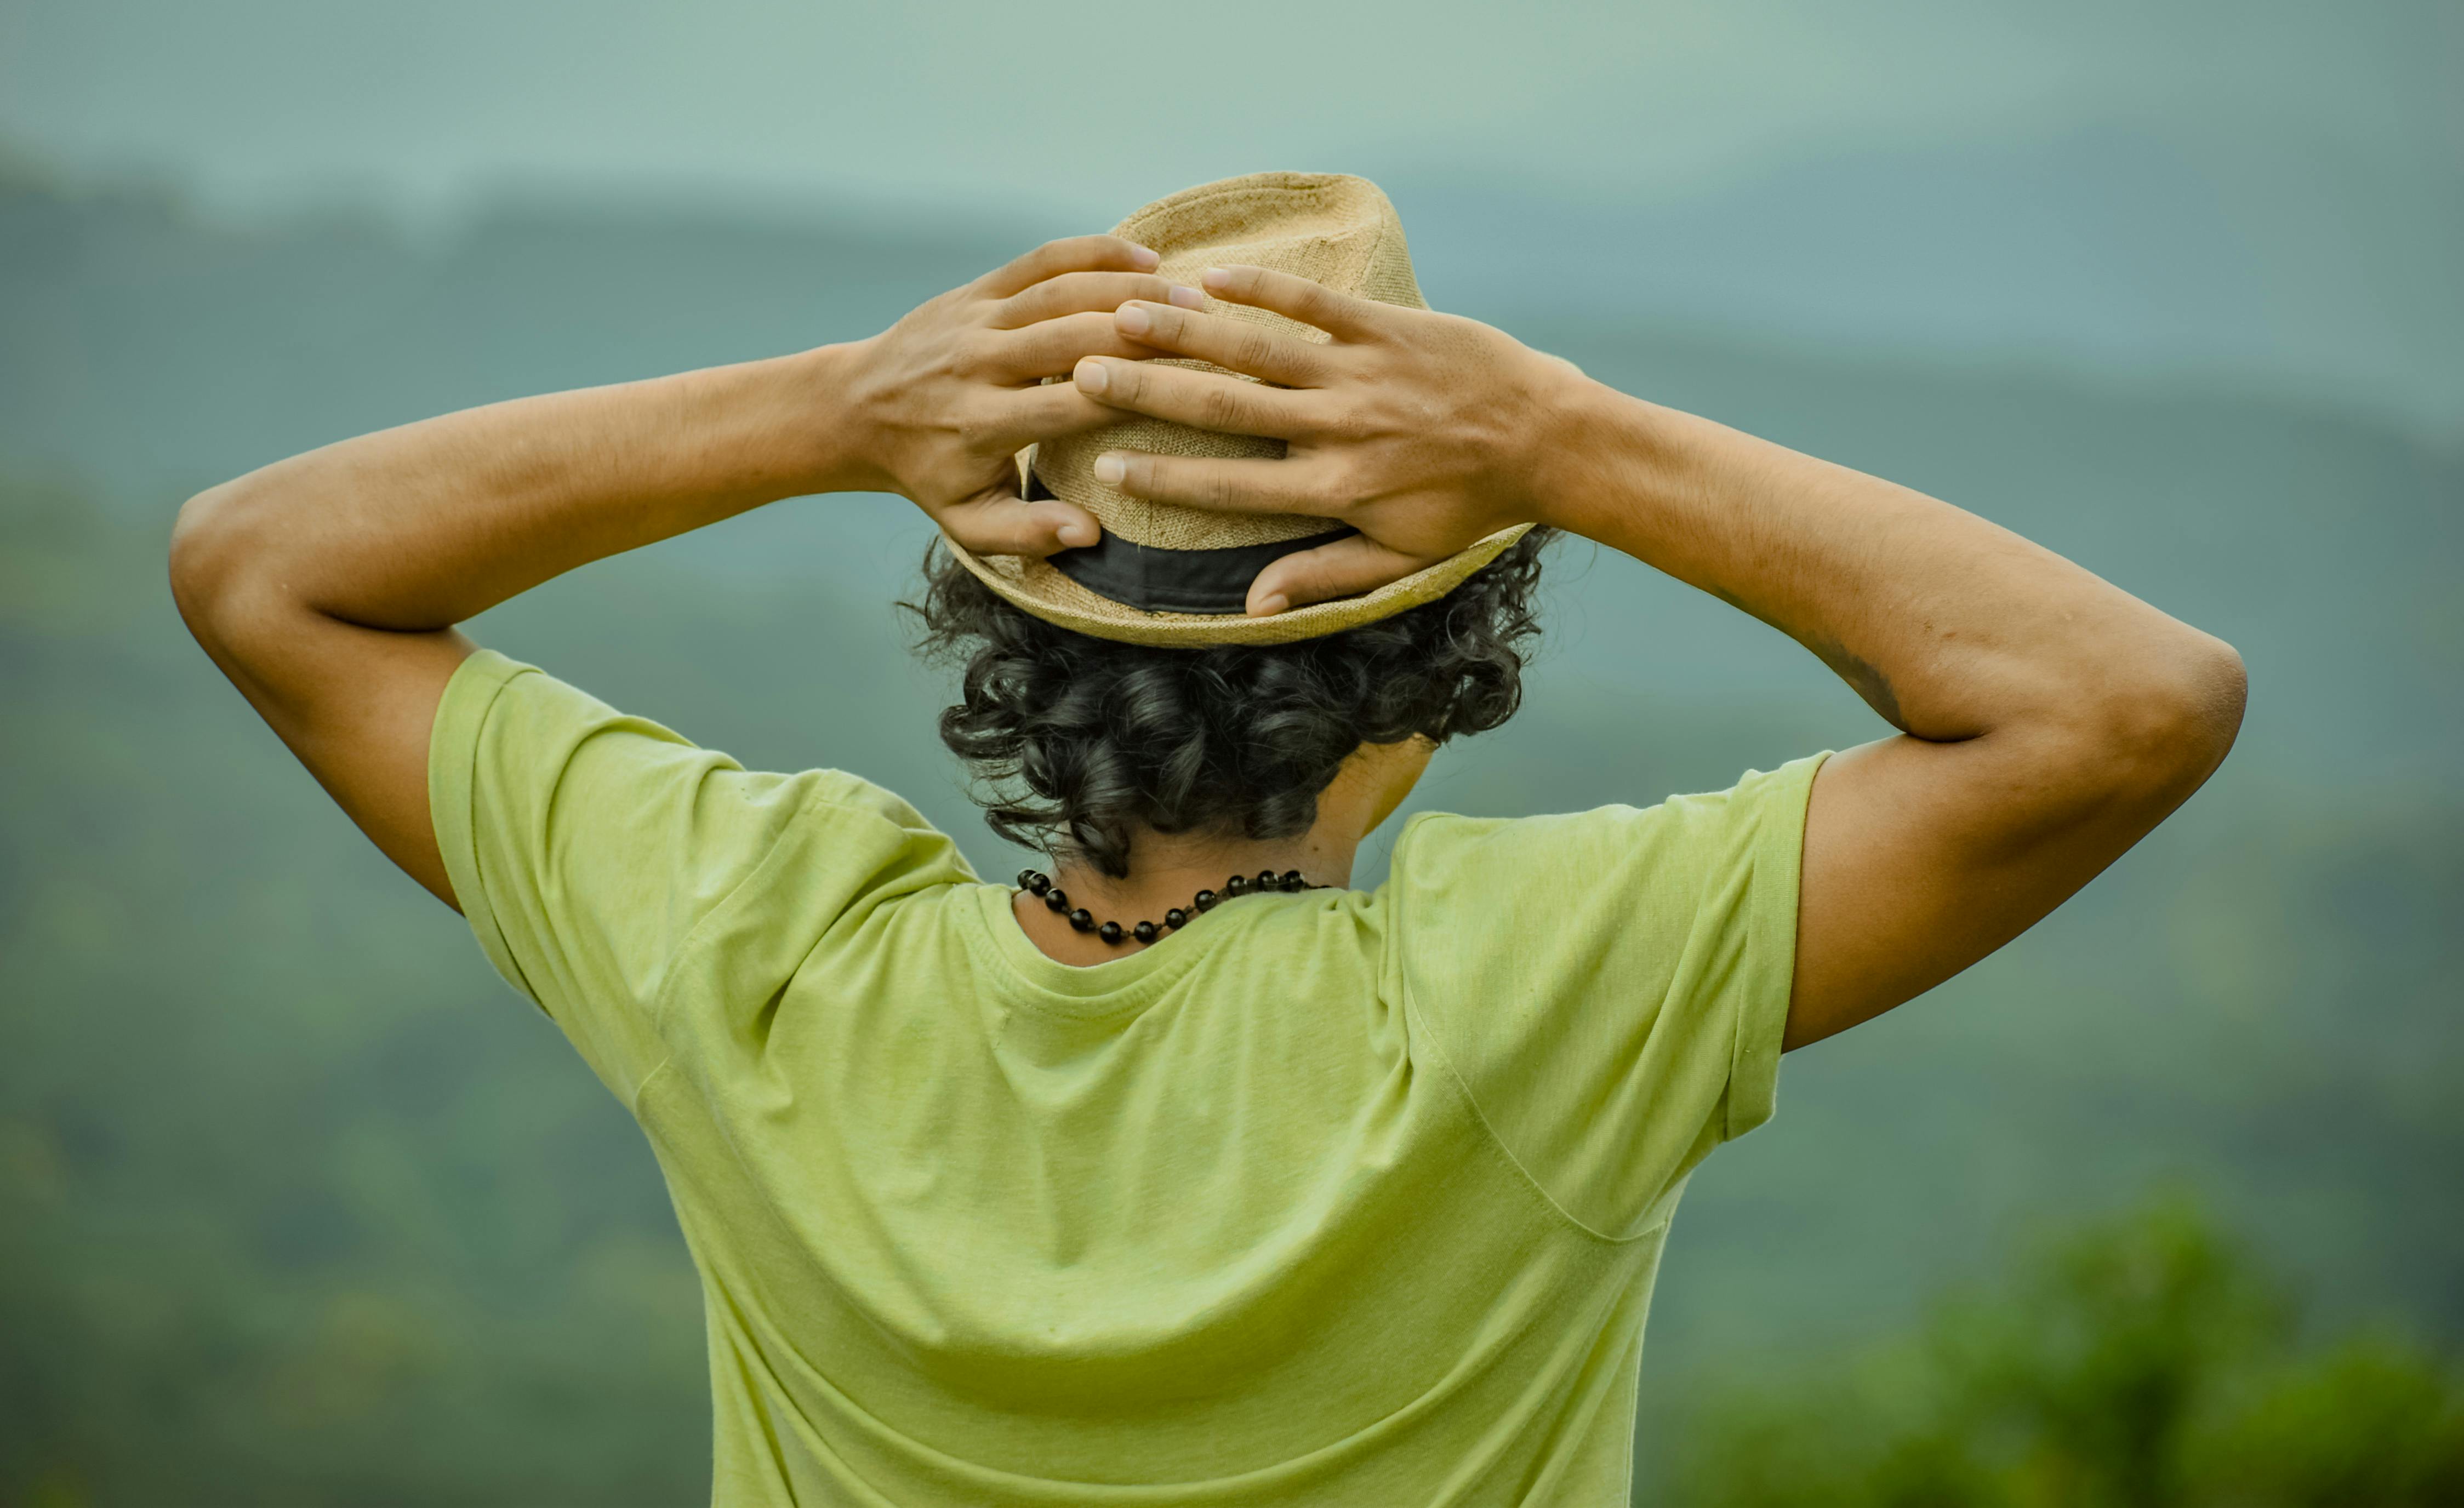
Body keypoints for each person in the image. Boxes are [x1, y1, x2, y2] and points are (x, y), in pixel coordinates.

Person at [169, 173, 2245, 1505]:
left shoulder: (761, 962)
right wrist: (1562, 438)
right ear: (1437, 677)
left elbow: (263, 568)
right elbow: (2129, 703)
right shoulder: (1540, 999)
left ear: (1006, 610)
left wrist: (831, 409)